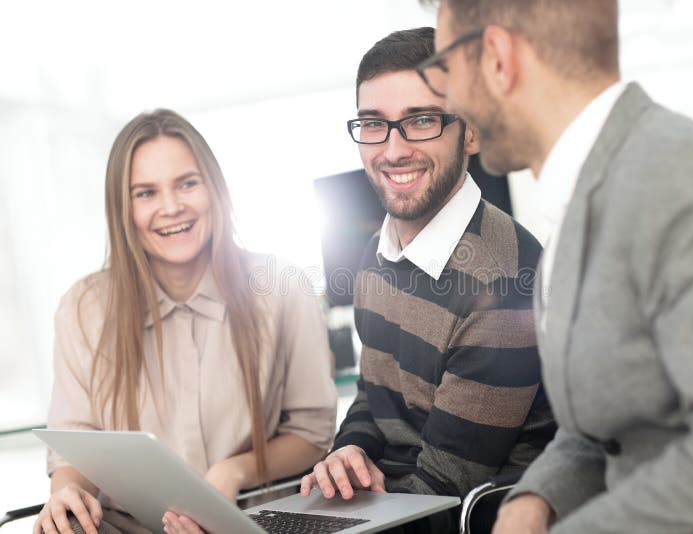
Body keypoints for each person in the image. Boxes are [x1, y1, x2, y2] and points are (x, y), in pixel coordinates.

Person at [418, 1, 693, 533]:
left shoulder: (682, 187)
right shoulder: (585, 198)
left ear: (498, 58)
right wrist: (536, 500)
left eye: (446, 70)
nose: (451, 98)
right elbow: (605, 428)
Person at [299, 27, 556, 534]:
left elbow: (441, 503)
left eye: (421, 120)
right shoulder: (383, 249)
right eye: (374, 124)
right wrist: (349, 451)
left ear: (472, 130)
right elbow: (375, 395)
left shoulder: (504, 285)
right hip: (390, 510)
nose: (393, 151)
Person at [35, 109, 337, 534]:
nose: (171, 207)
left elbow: (312, 434)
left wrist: (235, 471)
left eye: (187, 183)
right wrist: (66, 493)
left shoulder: (283, 287)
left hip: (245, 522)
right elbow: (73, 448)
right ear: (122, 208)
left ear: (214, 189)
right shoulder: (83, 307)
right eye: (145, 193)